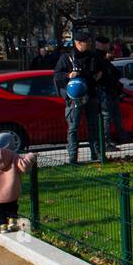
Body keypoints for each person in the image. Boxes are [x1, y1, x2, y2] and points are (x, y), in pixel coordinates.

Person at [53, 30, 106, 164]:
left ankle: (97, 154)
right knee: (73, 127)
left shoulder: (93, 57)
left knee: (93, 126)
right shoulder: (66, 58)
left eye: (89, 41)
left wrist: (100, 75)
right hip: (74, 98)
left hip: (91, 94)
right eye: (86, 42)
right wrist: (68, 76)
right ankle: (73, 156)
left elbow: (104, 70)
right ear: (78, 43)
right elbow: (57, 76)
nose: (88, 44)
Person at [0, 131, 36, 232]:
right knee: (13, 206)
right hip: (11, 190)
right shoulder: (13, 156)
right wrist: (31, 156)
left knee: (0, 209)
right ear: (11, 144)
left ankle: (3, 225)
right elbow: (23, 166)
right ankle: (12, 221)